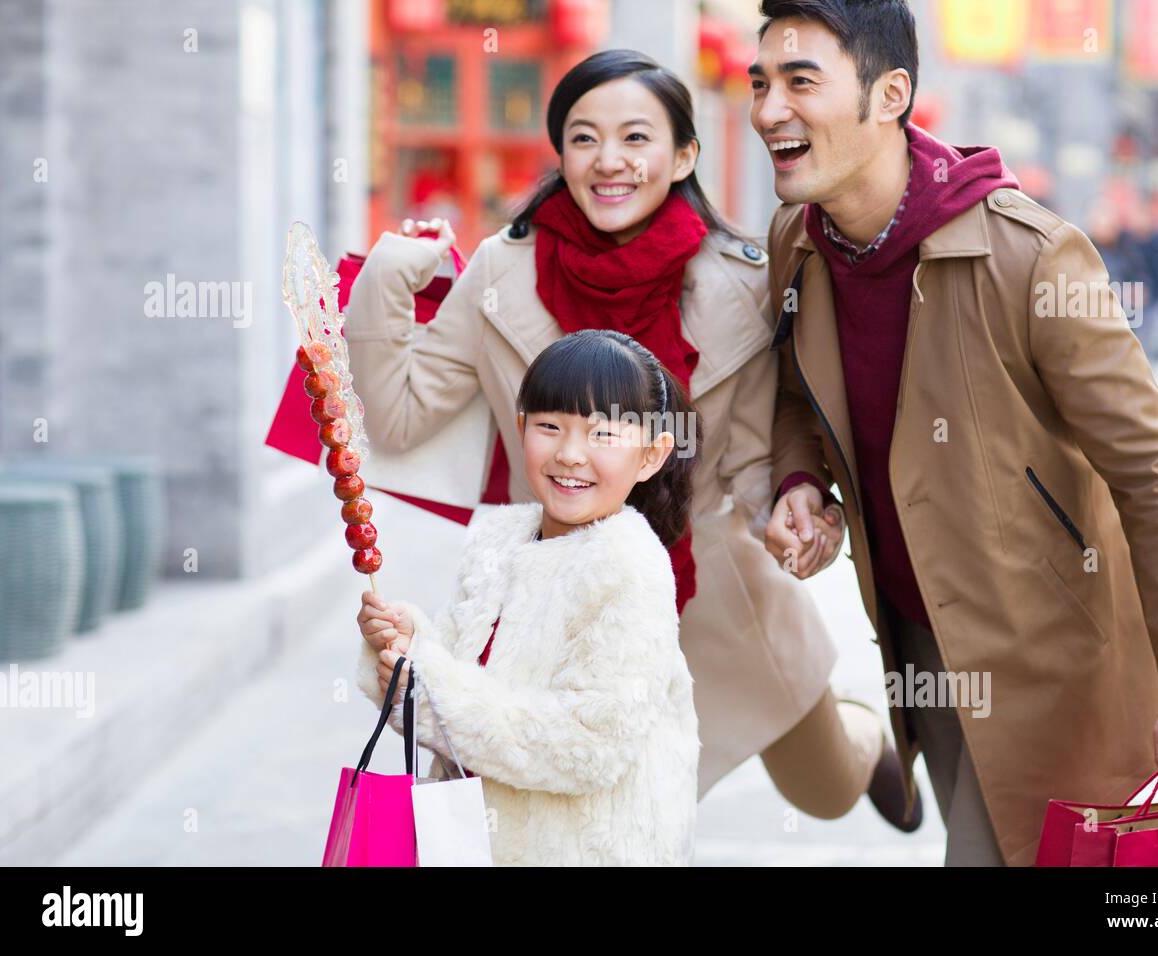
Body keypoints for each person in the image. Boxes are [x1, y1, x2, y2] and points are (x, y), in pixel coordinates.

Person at [344, 49, 921, 832]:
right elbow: (399, 417)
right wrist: (386, 277)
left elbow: (758, 456)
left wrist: (795, 507)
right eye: (583, 139)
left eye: (636, 138)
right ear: (561, 155)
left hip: (714, 598)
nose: (608, 162)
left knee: (823, 789)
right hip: (554, 601)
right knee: (583, 812)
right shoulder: (498, 274)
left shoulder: (743, 283)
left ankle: (867, 747)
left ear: (684, 154)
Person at [750, 0, 1158, 866]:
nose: (767, 110)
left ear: (890, 93)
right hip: (917, 641)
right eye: (761, 83)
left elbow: (1152, 468)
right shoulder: (799, 241)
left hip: (1052, 663)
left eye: (800, 82)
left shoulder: (1034, 257)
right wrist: (799, 482)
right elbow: (793, 388)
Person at [355, 331, 699, 865]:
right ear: (521, 429)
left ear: (651, 455)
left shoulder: (628, 566)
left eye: (603, 434)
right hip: (477, 842)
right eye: (549, 426)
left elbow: (588, 746)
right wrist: (405, 645)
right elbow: (442, 681)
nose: (570, 453)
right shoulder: (497, 539)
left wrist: (429, 683)